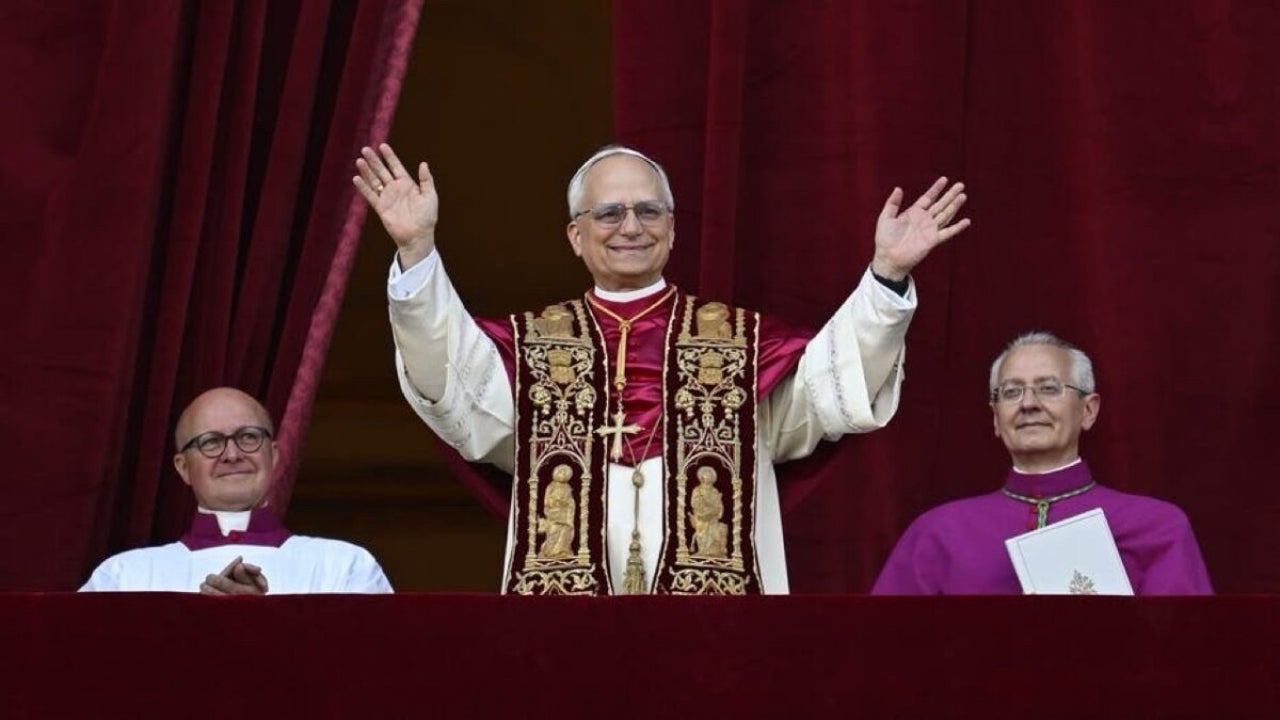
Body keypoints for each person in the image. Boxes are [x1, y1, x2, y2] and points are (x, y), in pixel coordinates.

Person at [354, 142, 969, 595]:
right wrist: (417, 250)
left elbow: (831, 387)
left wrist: (887, 276)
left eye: (649, 212)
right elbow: (452, 385)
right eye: (609, 213)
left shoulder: (741, 345)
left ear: (672, 231)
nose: (631, 227)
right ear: (574, 235)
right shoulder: (532, 346)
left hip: (715, 624)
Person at [872, 331, 1212, 595]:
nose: (1028, 404)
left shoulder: (1157, 528)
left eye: (1048, 388)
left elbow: (1185, 649)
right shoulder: (938, 533)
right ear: (995, 418)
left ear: (1088, 410)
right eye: (1011, 392)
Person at [81, 387, 392, 594]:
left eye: (248, 437)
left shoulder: (345, 567)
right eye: (211, 442)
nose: (232, 454)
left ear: (274, 455)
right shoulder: (123, 578)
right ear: (183, 467)